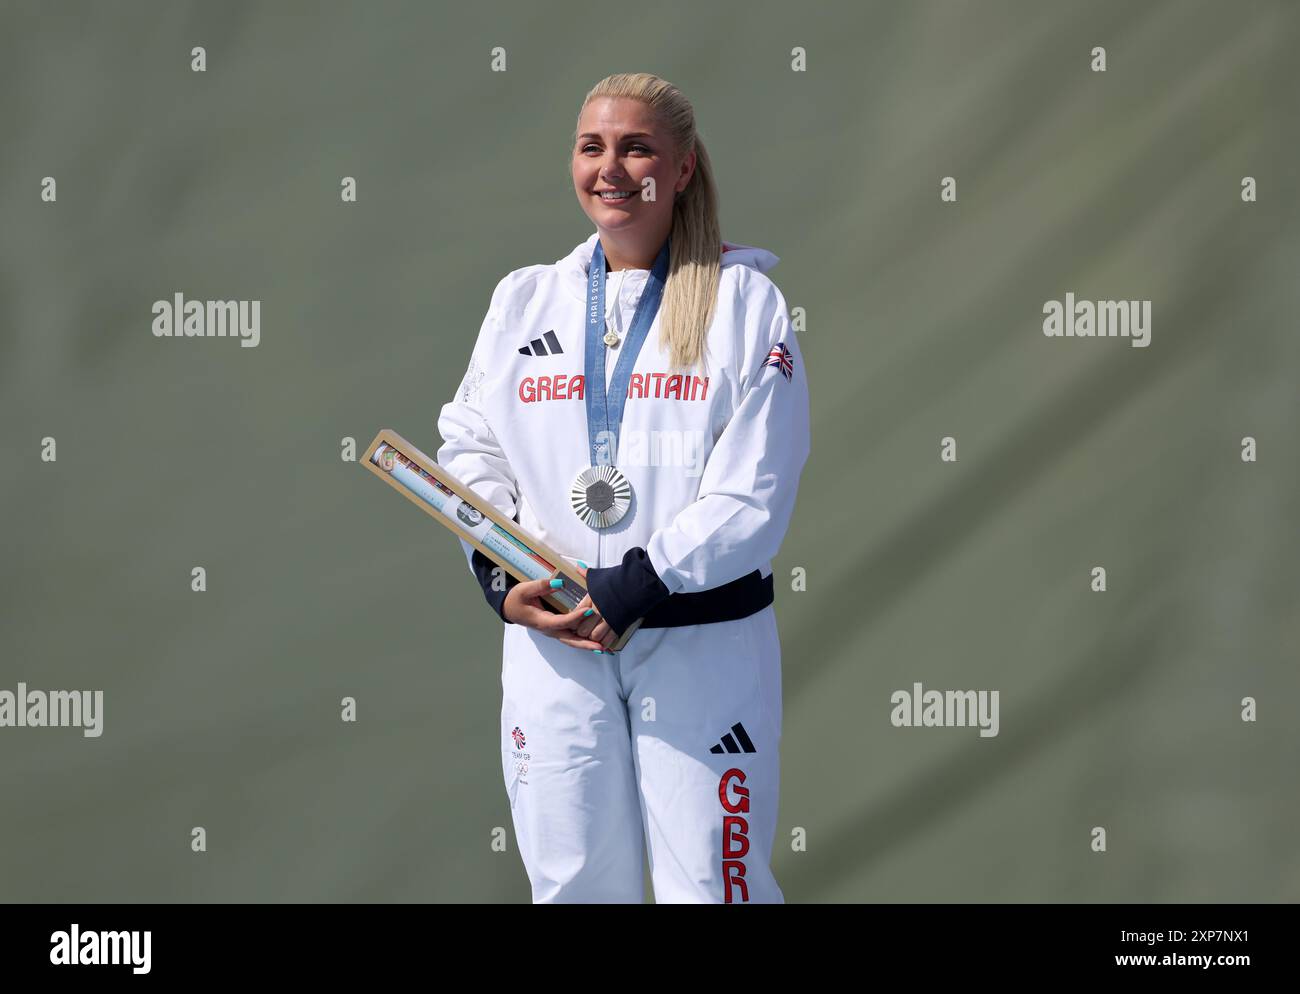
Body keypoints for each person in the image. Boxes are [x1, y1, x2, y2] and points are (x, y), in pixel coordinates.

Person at [436, 72, 810, 904]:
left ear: (680, 170)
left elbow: (754, 492)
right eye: (591, 146)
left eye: (637, 147)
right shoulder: (524, 298)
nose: (610, 167)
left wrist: (639, 582)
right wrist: (502, 576)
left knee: (715, 888)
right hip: (556, 643)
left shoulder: (744, 303)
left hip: (698, 640)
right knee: (571, 888)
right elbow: (469, 447)